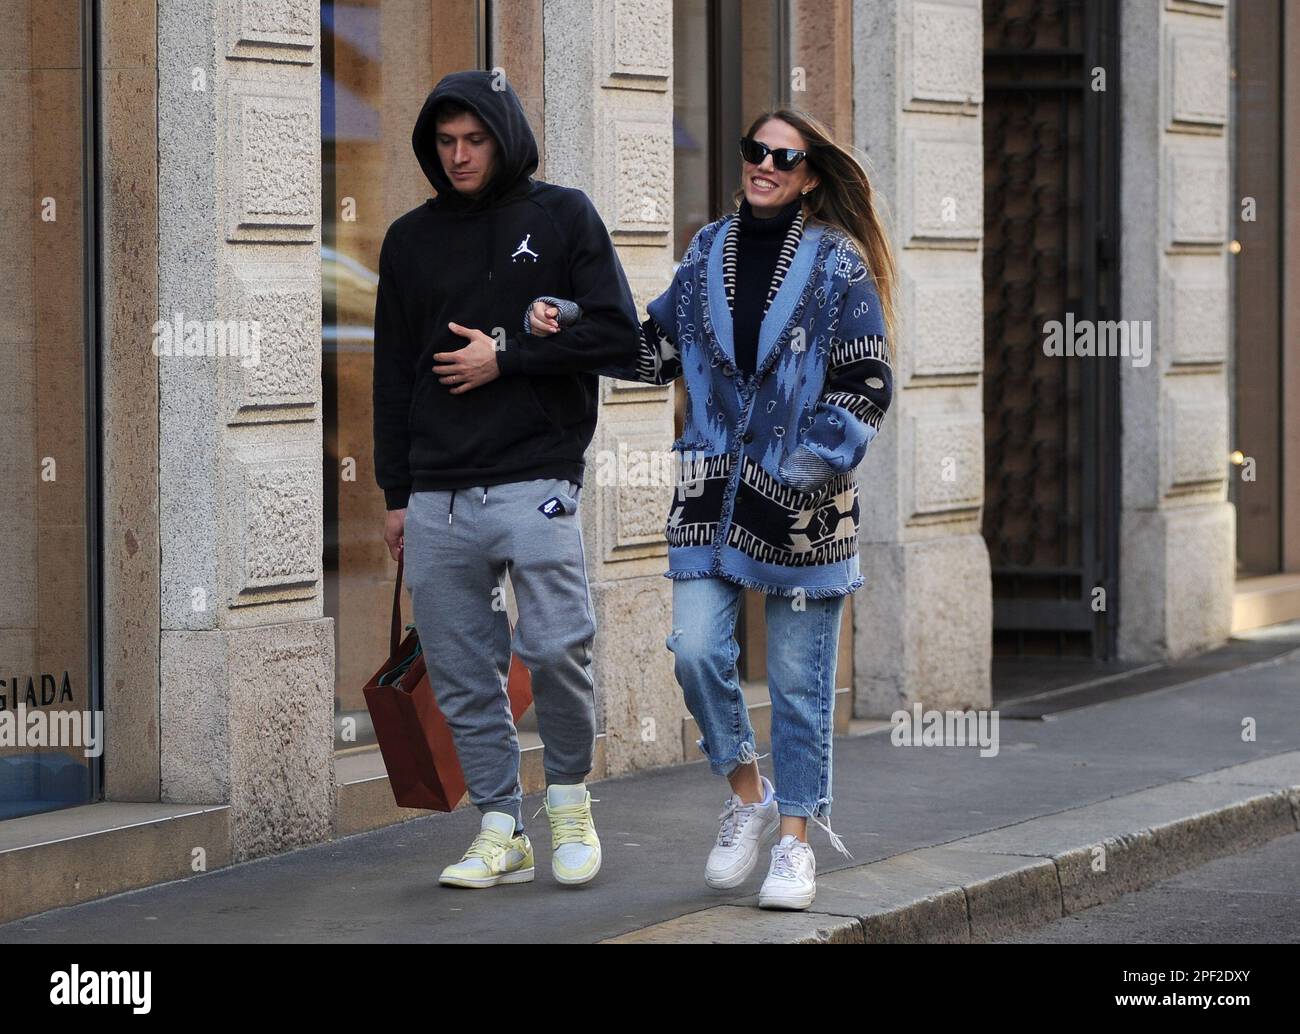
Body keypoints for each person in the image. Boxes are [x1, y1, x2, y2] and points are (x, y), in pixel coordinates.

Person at [525, 108, 897, 909]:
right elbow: (655, 349)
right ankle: (748, 793)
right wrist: (573, 325)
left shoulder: (840, 265)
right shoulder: (706, 252)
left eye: (783, 157)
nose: (764, 164)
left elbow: (868, 382)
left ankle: (795, 843)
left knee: (799, 684)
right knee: (695, 651)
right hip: (709, 501)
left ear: (808, 175)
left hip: (804, 510)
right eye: (754, 151)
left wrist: (802, 464)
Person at [372, 70, 640, 889]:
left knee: (558, 645)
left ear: (504, 137)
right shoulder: (409, 240)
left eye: (474, 140)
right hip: (439, 491)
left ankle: (567, 796)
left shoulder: (563, 217)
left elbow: (619, 337)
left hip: (537, 478)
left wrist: (509, 356)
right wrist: (395, 495)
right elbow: (391, 372)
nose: (458, 156)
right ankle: (499, 826)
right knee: (461, 670)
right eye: (446, 143)